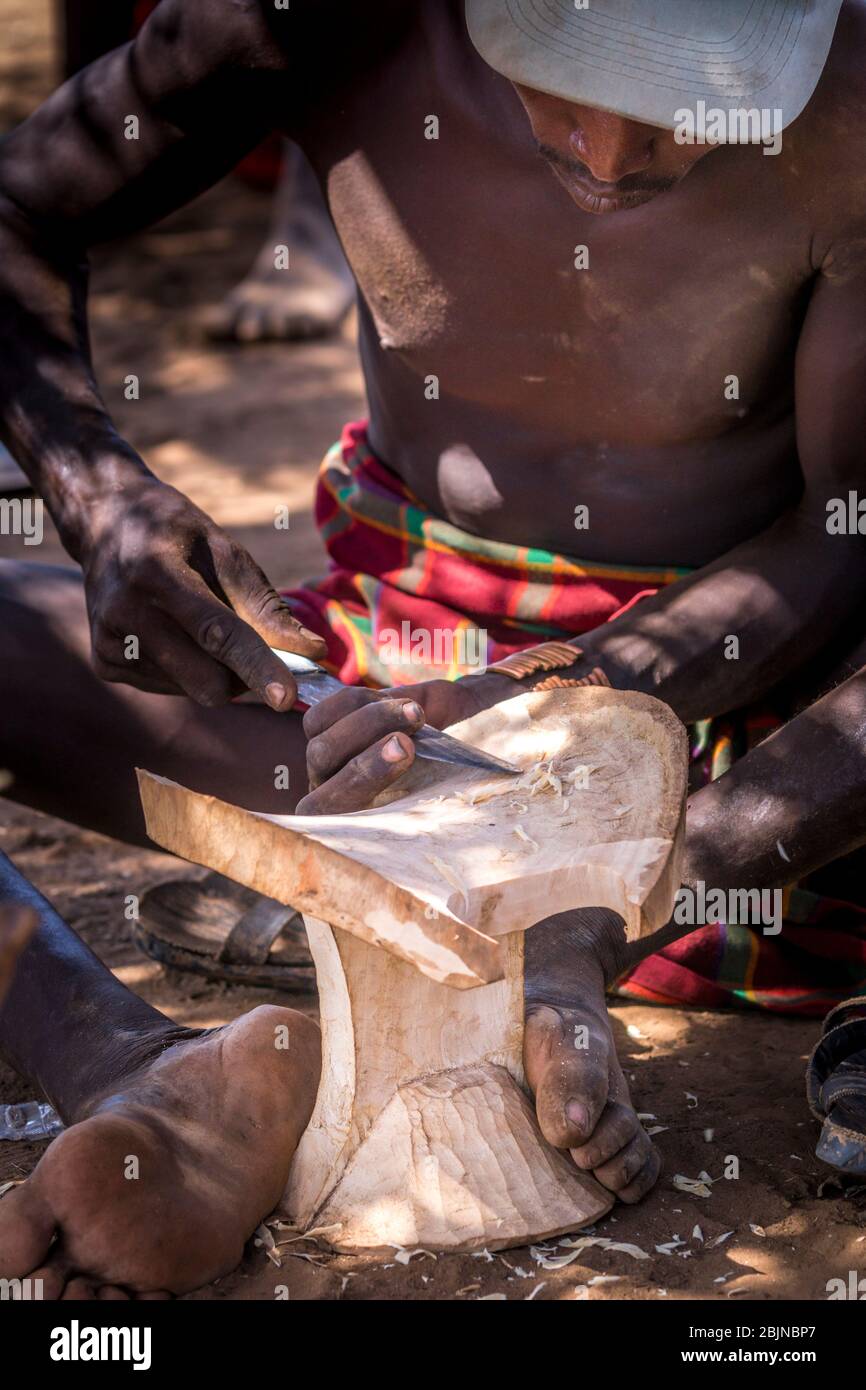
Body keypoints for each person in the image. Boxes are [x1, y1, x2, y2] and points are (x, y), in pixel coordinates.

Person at [1, 0, 865, 1296]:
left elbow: (842, 528)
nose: (612, 154)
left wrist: (583, 721)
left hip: (746, 735)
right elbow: (16, 213)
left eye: (693, 94)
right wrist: (99, 496)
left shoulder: (852, 96)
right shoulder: (315, 20)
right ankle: (124, 1056)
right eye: (560, 84)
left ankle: (574, 922)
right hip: (374, 701)